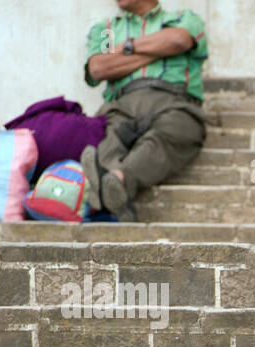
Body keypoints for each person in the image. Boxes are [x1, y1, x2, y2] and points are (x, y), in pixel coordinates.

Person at [80, 0, 209, 221]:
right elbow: (99, 67)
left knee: (176, 130)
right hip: (122, 103)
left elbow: (178, 40)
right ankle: (110, 186)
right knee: (108, 135)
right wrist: (159, 50)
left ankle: (116, 180)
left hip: (174, 101)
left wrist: (127, 48)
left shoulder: (183, 18)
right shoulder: (105, 30)